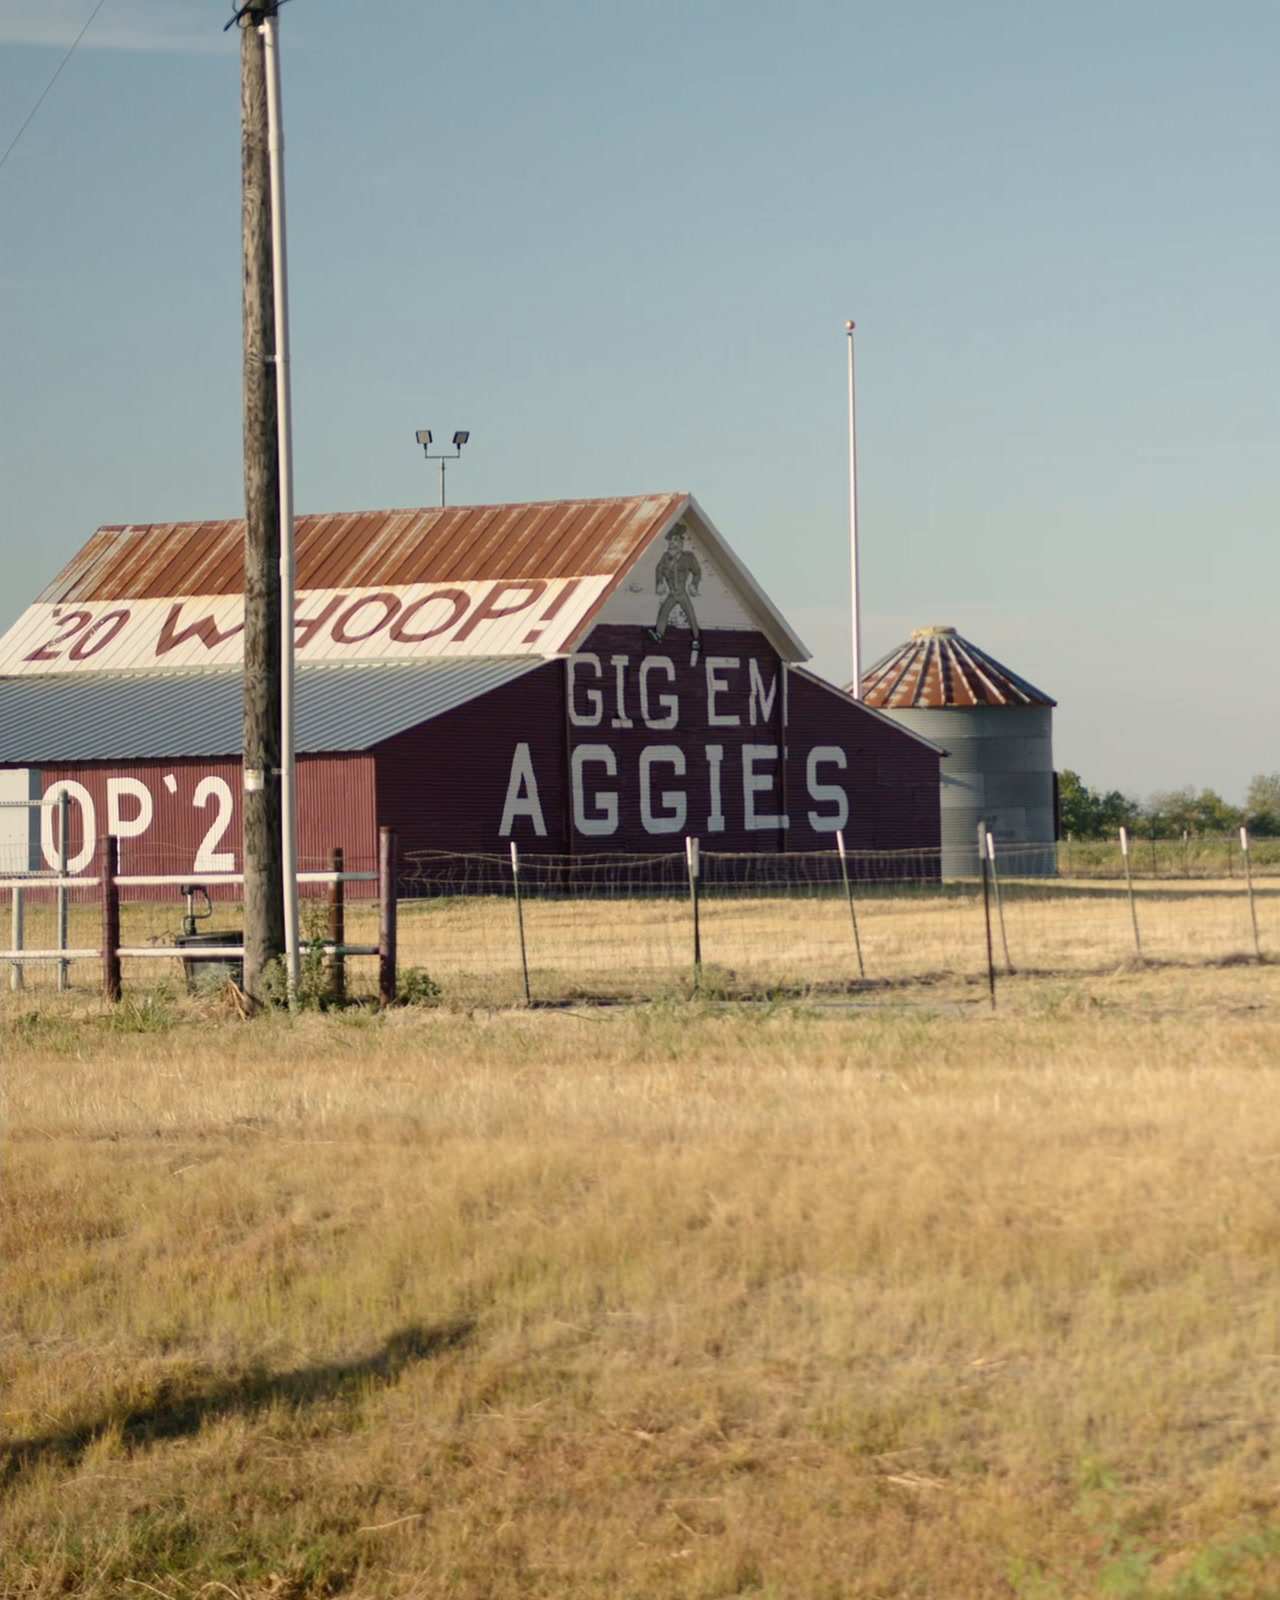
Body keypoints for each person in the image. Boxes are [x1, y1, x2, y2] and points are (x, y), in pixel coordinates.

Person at [647, 524, 702, 660]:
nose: (672, 543)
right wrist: (659, 583)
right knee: (663, 611)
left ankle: (696, 638)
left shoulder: (688, 557)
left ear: (681, 542)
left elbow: (697, 572)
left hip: (682, 593)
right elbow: (658, 569)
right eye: (671, 541)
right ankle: (659, 634)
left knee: (690, 614)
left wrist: (694, 584)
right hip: (672, 593)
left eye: (676, 540)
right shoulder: (665, 558)